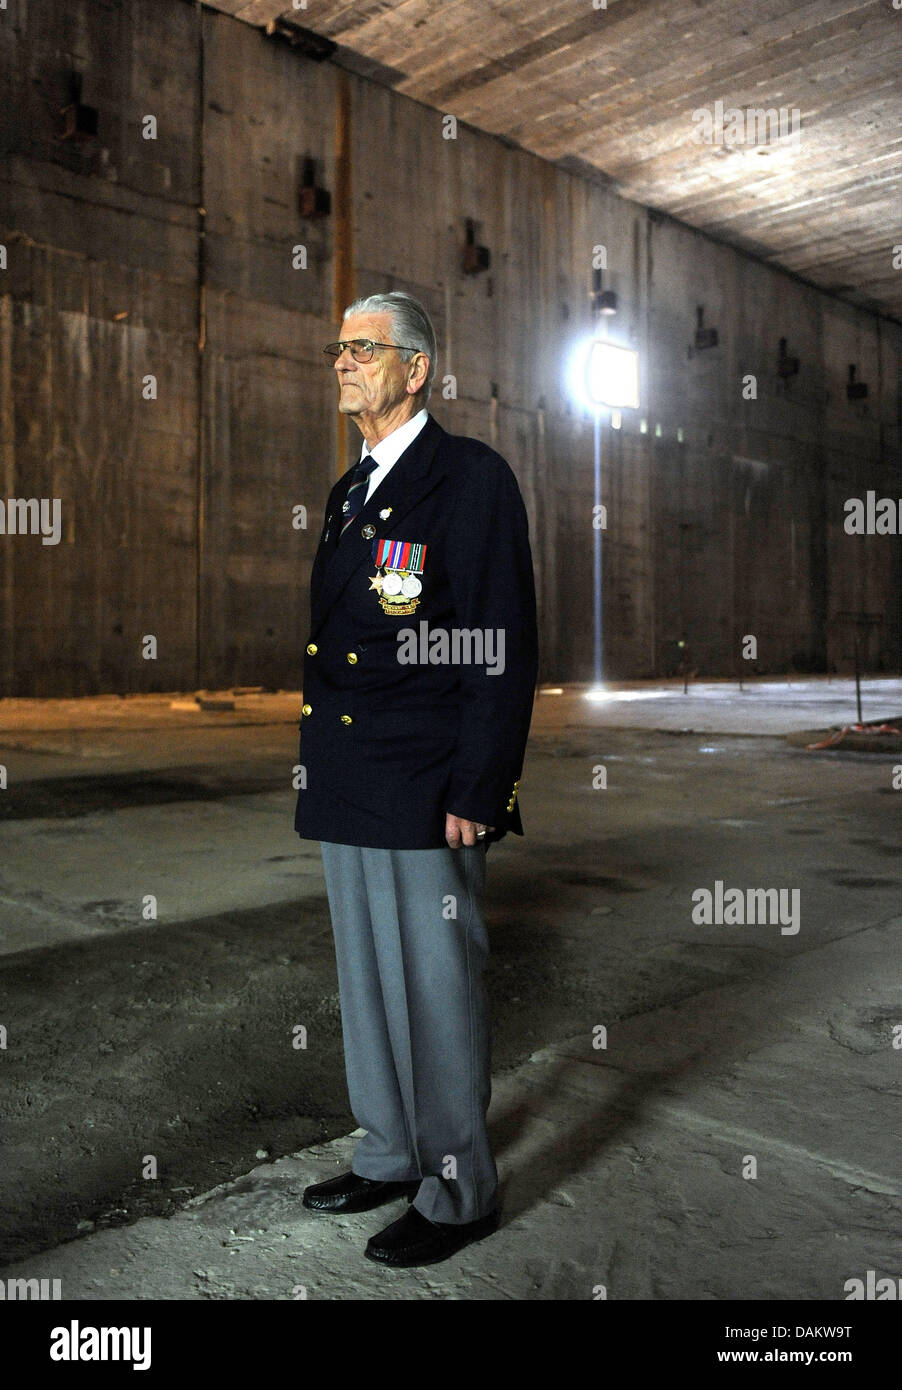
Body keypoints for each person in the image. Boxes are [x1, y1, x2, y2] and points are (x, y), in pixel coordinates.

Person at [294, 290, 538, 1267]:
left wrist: (479, 787)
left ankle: (456, 1186)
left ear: (417, 368)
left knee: (437, 991)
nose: (344, 360)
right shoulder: (350, 488)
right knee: (367, 980)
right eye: (338, 346)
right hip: (352, 776)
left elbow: (497, 643)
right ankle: (389, 1151)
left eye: (366, 347)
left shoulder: (467, 479)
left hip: (429, 781)